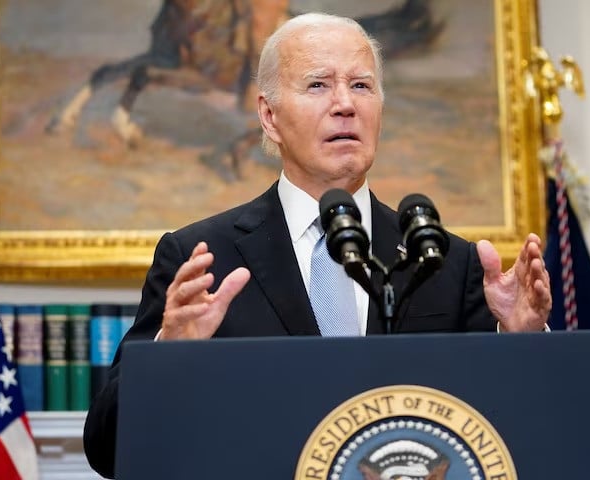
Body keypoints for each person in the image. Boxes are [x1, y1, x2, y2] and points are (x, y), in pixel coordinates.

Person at [83, 12, 551, 478]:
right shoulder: (202, 258)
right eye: (318, 85)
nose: (345, 104)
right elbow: (108, 449)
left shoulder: (446, 261)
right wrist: (168, 358)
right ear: (269, 116)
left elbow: (517, 433)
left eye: (362, 86)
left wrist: (522, 342)